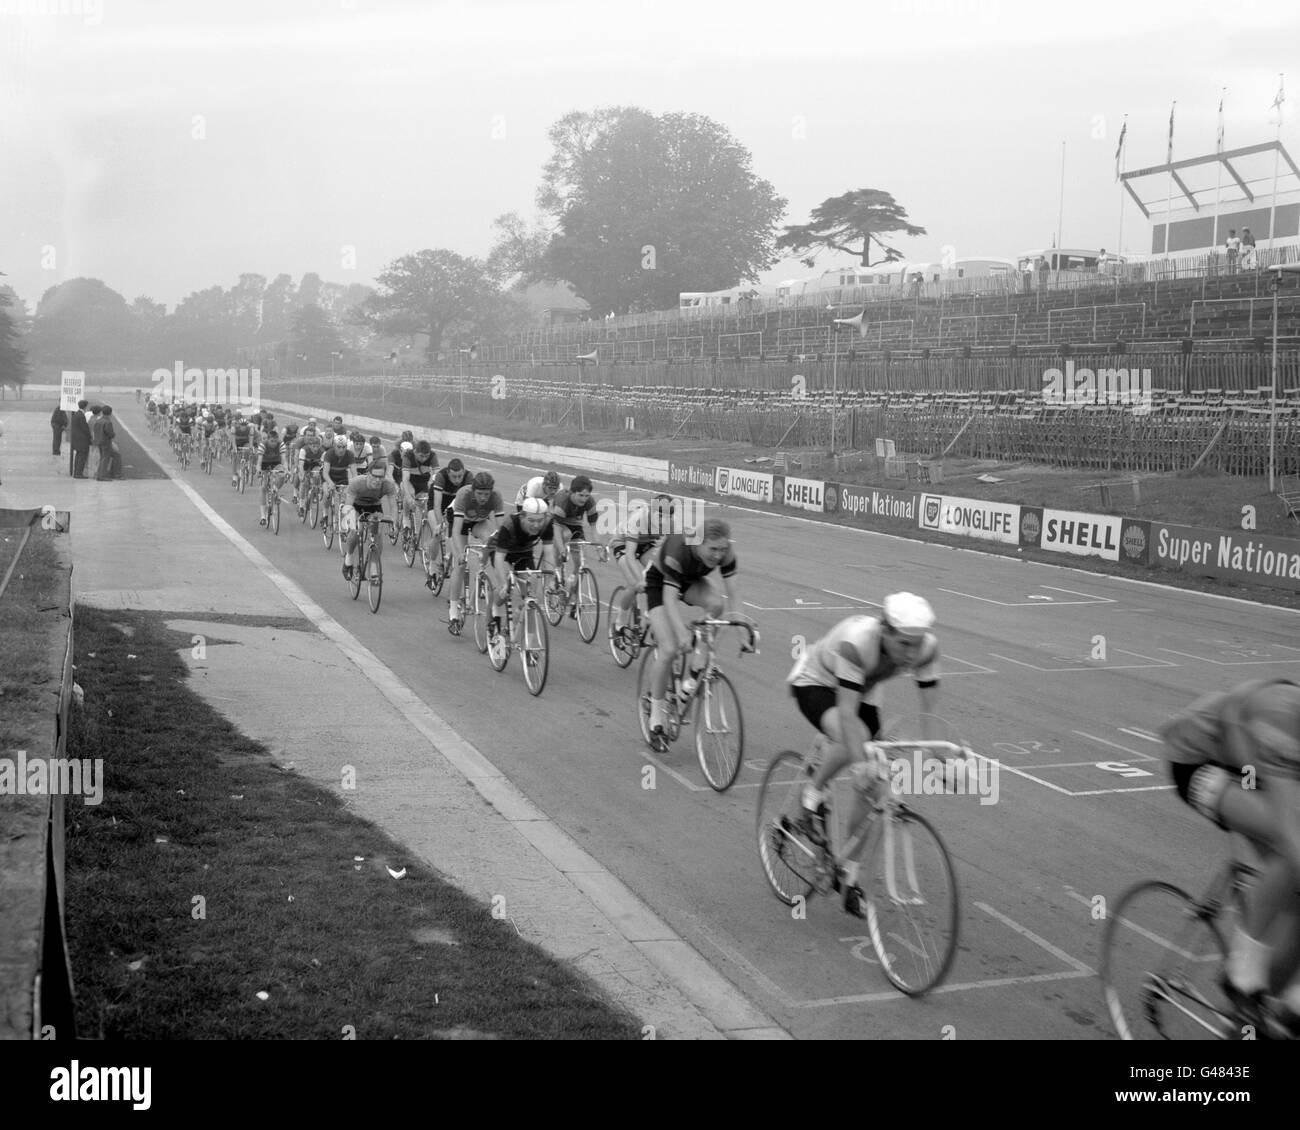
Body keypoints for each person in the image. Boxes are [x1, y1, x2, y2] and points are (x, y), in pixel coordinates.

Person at [1158, 678, 1300, 1033]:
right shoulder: (1282, 714)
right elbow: (1288, 830)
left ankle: (1266, 1010)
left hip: (1252, 769)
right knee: (1290, 850)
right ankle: (1241, 976)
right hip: (1198, 761)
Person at [787, 593, 942, 916]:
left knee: (876, 788)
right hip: (816, 681)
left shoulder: (927, 648)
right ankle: (810, 796)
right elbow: (846, 713)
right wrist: (859, 764)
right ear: (884, 630)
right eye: (903, 644)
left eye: (917, 644)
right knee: (853, 741)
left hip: (864, 688)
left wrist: (934, 753)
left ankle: (849, 876)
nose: (911, 654)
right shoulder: (858, 642)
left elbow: (929, 713)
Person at [642, 519, 750, 750]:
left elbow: (735, 595)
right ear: (699, 543)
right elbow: (670, 600)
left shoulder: (726, 552)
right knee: (669, 648)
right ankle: (656, 715)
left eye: (722, 549)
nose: (718, 556)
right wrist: (681, 633)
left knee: (716, 605)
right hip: (660, 583)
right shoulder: (678, 550)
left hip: (690, 580)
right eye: (713, 550)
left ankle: (694, 672)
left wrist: (743, 630)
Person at [447, 471, 505, 628]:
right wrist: (459, 553)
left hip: (479, 520)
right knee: (460, 565)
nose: (483, 498)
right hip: (458, 521)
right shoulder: (463, 494)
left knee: (493, 540)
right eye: (479, 493)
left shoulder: (496, 496)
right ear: (473, 490)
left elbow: (501, 528)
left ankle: (482, 573)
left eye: (486, 494)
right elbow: (457, 530)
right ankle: (453, 612)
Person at [341, 458, 397, 582]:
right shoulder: (357, 483)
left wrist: (394, 524)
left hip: (374, 507)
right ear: (368, 473)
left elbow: (393, 507)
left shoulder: (388, 485)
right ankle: (348, 560)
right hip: (355, 506)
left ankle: (373, 569)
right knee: (356, 530)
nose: (378, 480)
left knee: (377, 533)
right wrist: (351, 522)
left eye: (381, 477)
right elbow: (348, 506)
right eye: (374, 476)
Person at [69, 399, 92, 478]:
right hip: (82, 439)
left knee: (78, 456)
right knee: (82, 457)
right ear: (85, 407)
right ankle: (79, 473)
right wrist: (90, 436)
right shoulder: (81, 416)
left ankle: (76, 472)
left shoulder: (76, 414)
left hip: (76, 439)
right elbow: (85, 428)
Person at [98, 406, 120, 480]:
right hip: (106, 442)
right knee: (105, 459)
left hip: (99, 441)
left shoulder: (99, 420)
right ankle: (103, 476)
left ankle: (99, 475)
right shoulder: (108, 422)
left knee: (102, 458)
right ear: (110, 413)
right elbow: (110, 433)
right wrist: (113, 435)